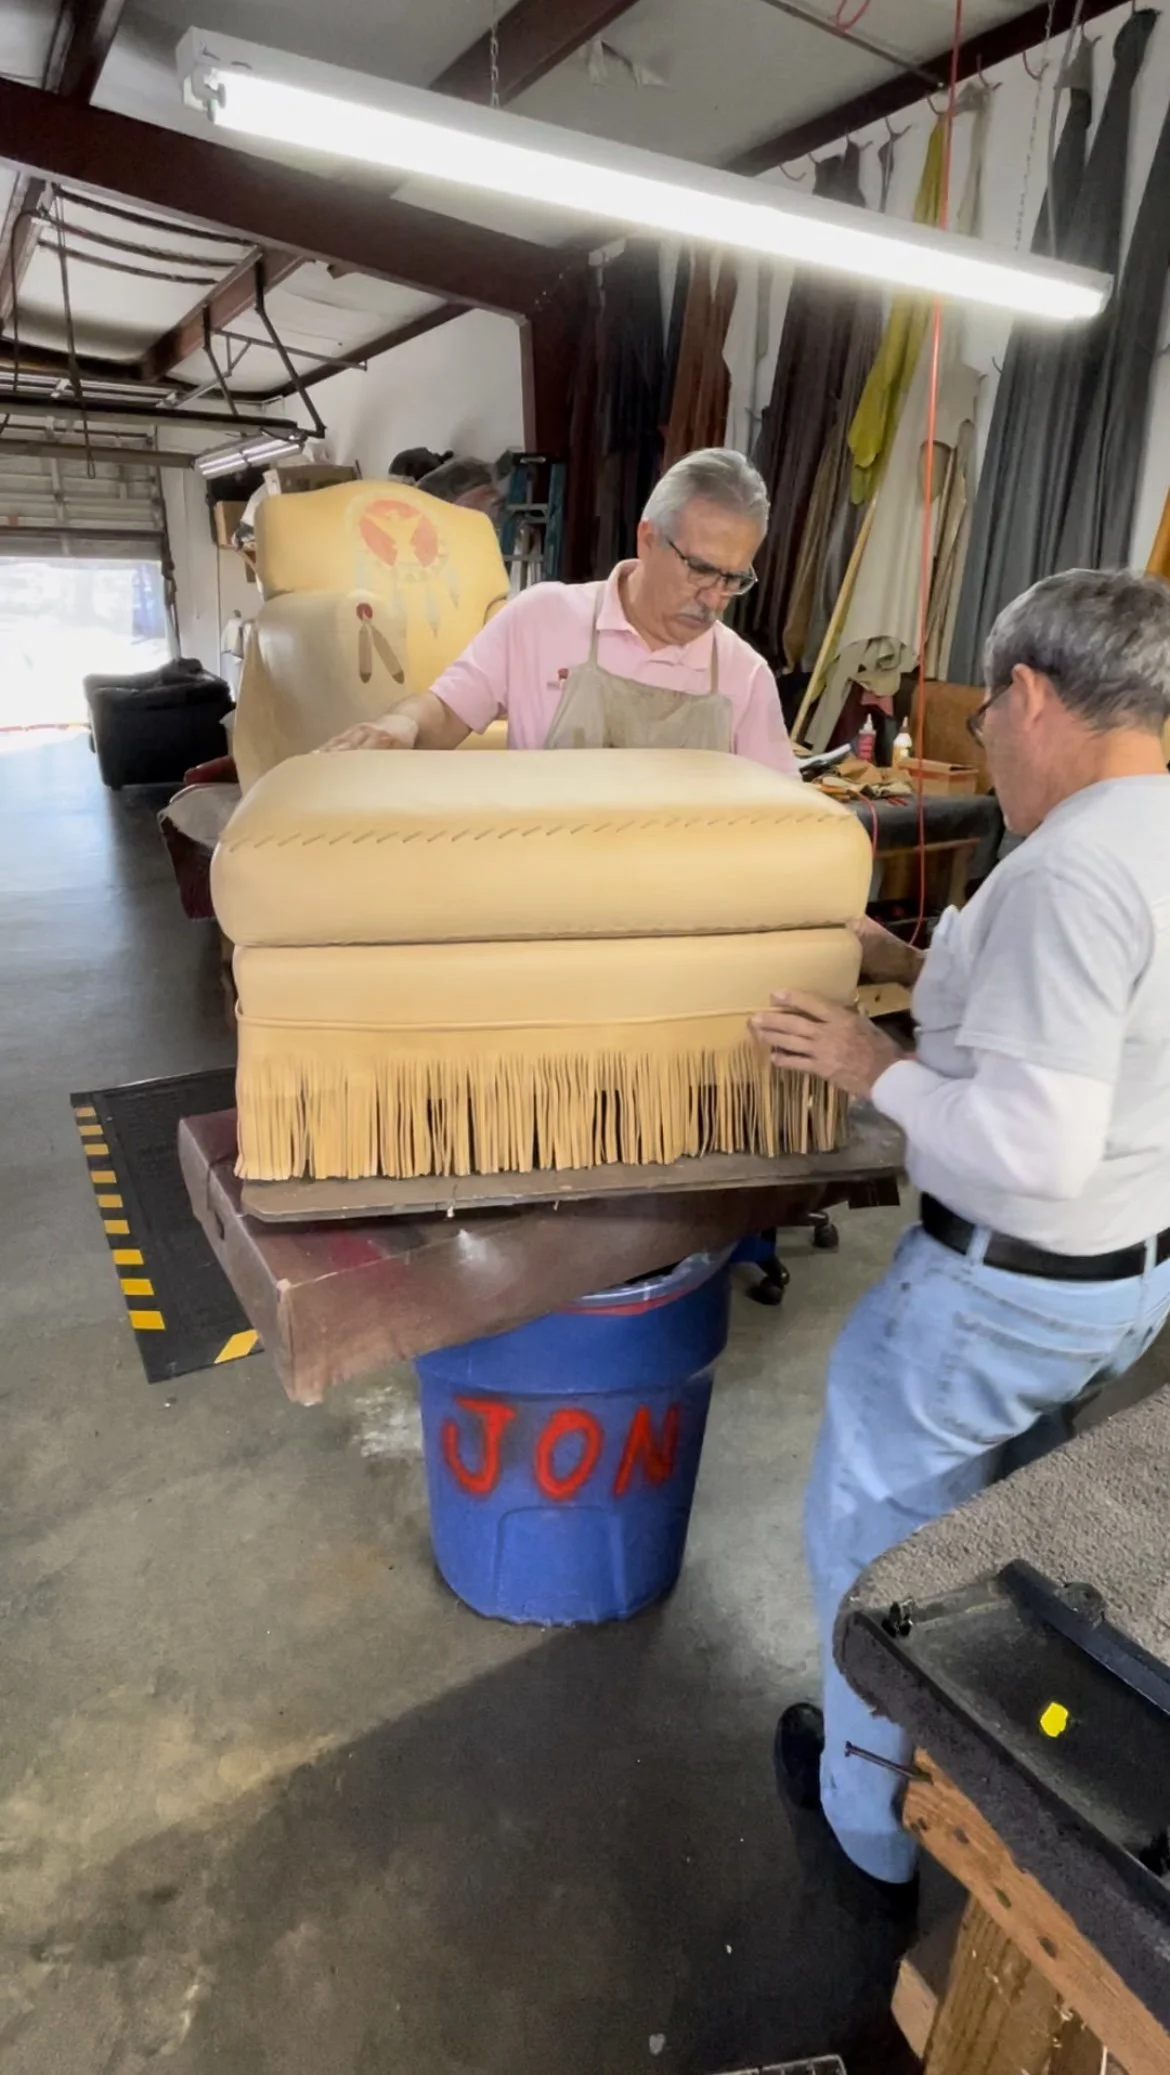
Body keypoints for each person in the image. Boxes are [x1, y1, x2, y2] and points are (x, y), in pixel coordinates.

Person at [752, 567, 1170, 1895]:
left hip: (995, 1295)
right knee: (997, 1539)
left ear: (1035, 695)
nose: (982, 733)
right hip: (1121, 1288)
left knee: (878, 1561)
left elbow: (1033, 1149)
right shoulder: (1149, 839)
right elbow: (1075, 1036)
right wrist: (896, 949)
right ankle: (982, 1770)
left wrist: (870, 1064)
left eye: (989, 706)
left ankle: (866, 1826)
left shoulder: (1070, 871)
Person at [323, 447, 797, 772]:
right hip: (546, 894)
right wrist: (398, 727)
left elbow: (783, 819)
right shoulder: (542, 619)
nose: (714, 598)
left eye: (733, 579)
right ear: (648, 538)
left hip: (682, 909)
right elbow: (446, 709)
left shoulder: (744, 675)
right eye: (699, 569)